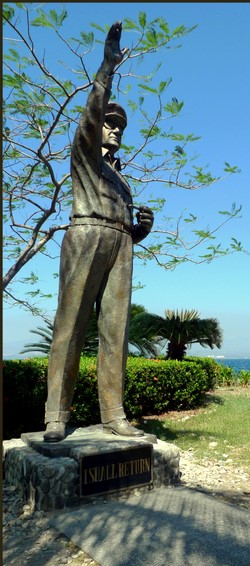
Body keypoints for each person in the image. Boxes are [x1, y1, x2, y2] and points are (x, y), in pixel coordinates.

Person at [43, 22, 154, 442]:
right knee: (69, 326)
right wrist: (106, 71)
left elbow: (125, 222)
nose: (114, 129)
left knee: (115, 331)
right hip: (86, 236)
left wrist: (139, 229)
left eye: (120, 126)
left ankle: (114, 413)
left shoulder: (122, 180)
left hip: (120, 244)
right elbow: (88, 120)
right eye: (110, 123)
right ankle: (56, 415)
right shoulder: (86, 159)